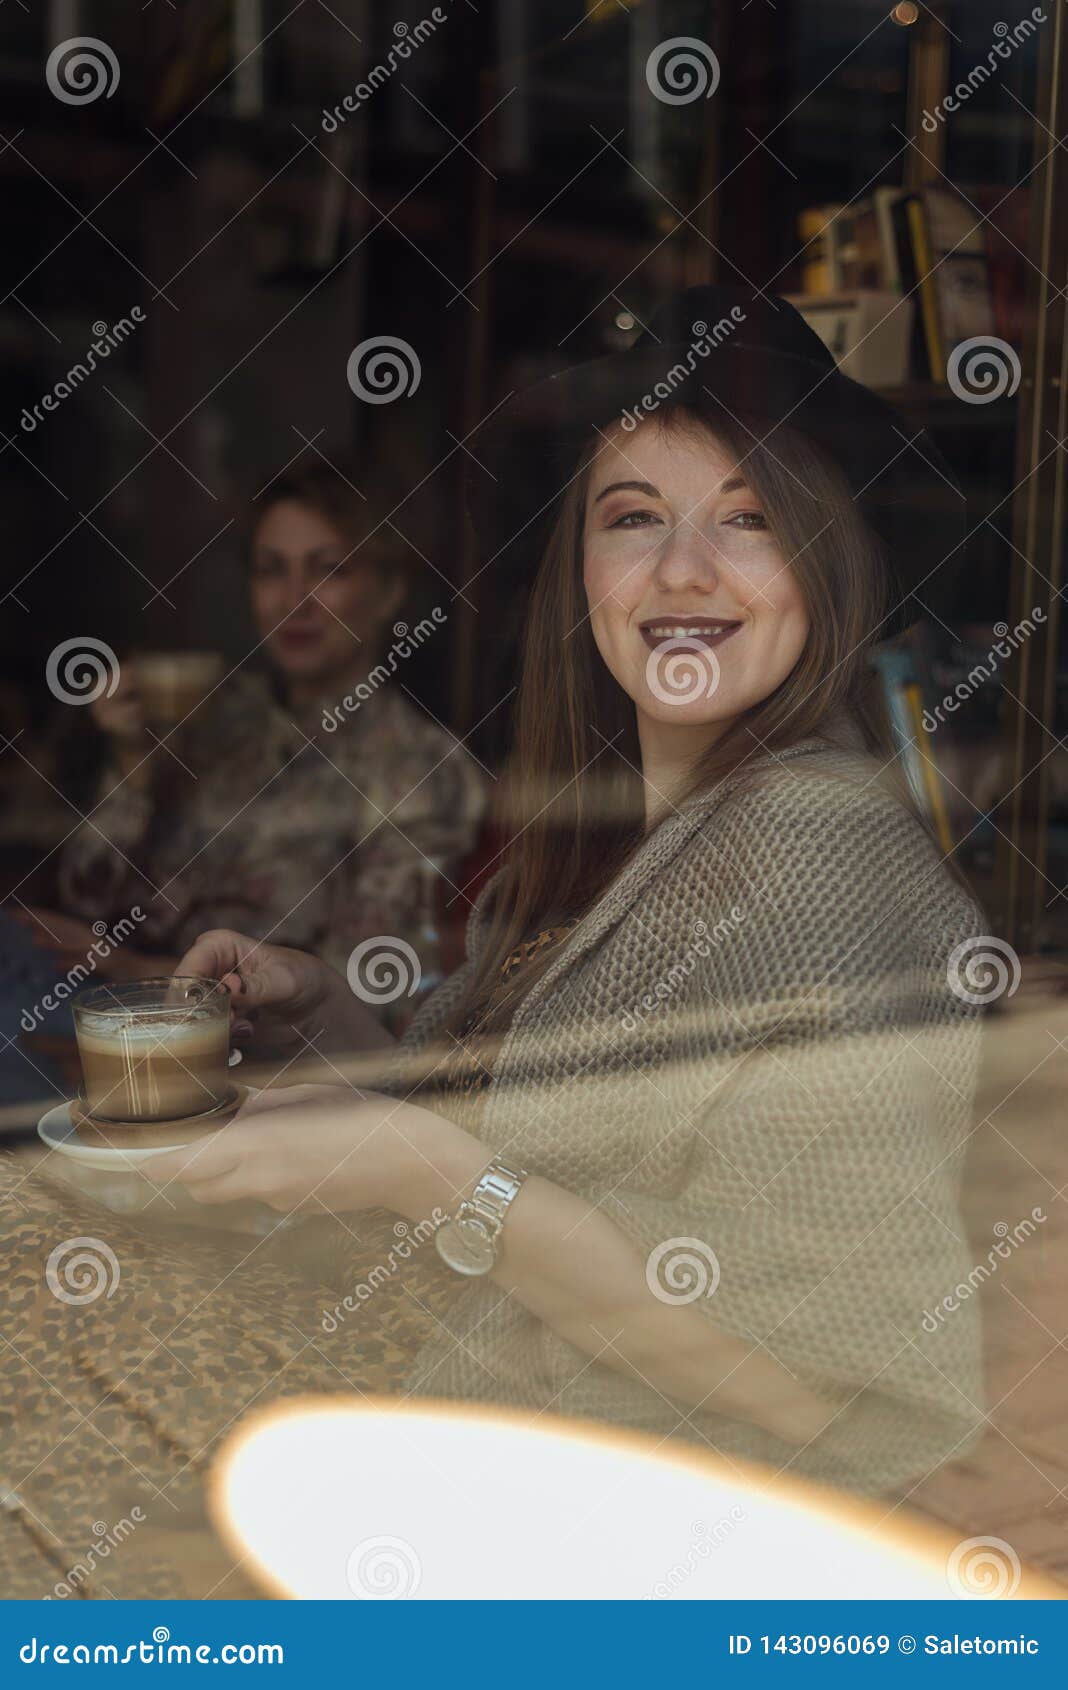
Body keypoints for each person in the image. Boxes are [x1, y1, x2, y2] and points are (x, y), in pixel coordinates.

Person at [0, 289, 988, 1594]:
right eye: (633, 520)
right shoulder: (633, 826)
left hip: (583, 1505)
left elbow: (821, 1387)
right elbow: (469, 1090)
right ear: (580, 570)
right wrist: (308, 1005)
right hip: (443, 1388)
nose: (683, 571)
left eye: (747, 521)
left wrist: (428, 1174)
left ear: (829, 561)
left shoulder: (812, 847)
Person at [16, 461, 485, 1015]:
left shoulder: (419, 763)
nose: (294, 599)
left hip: (245, 1044)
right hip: (102, 999)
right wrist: (131, 758)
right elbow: (86, 898)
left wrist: (138, 973)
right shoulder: (214, 714)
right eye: (270, 570)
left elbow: (369, 987)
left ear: (387, 592)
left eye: (328, 570)